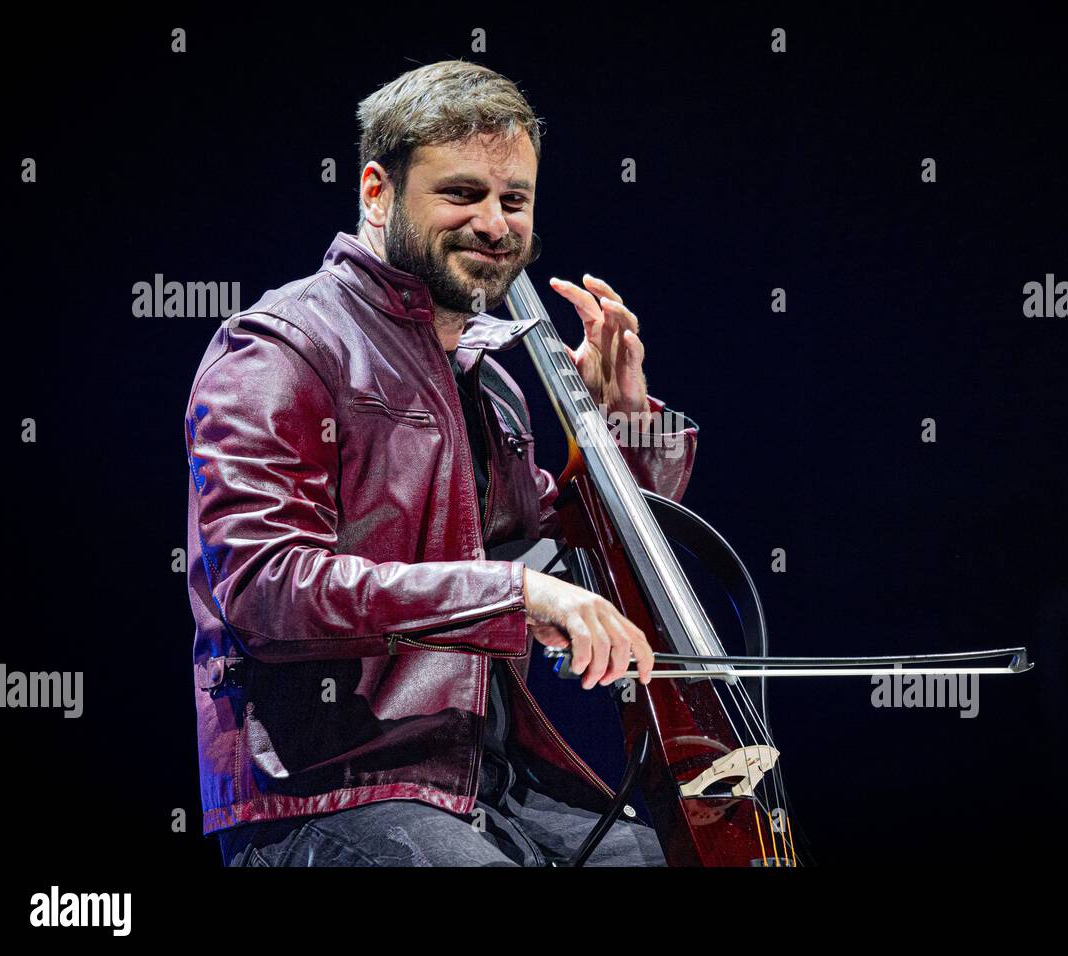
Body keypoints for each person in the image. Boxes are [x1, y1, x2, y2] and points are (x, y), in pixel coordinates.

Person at [183, 60, 698, 866]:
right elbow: (265, 585)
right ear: (377, 192)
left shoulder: (491, 384)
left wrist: (627, 430)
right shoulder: (284, 348)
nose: (495, 224)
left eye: (514, 200)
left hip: (487, 784)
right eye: (462, 194)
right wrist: (516, 594)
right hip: (334, 786)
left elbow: (575, 554)